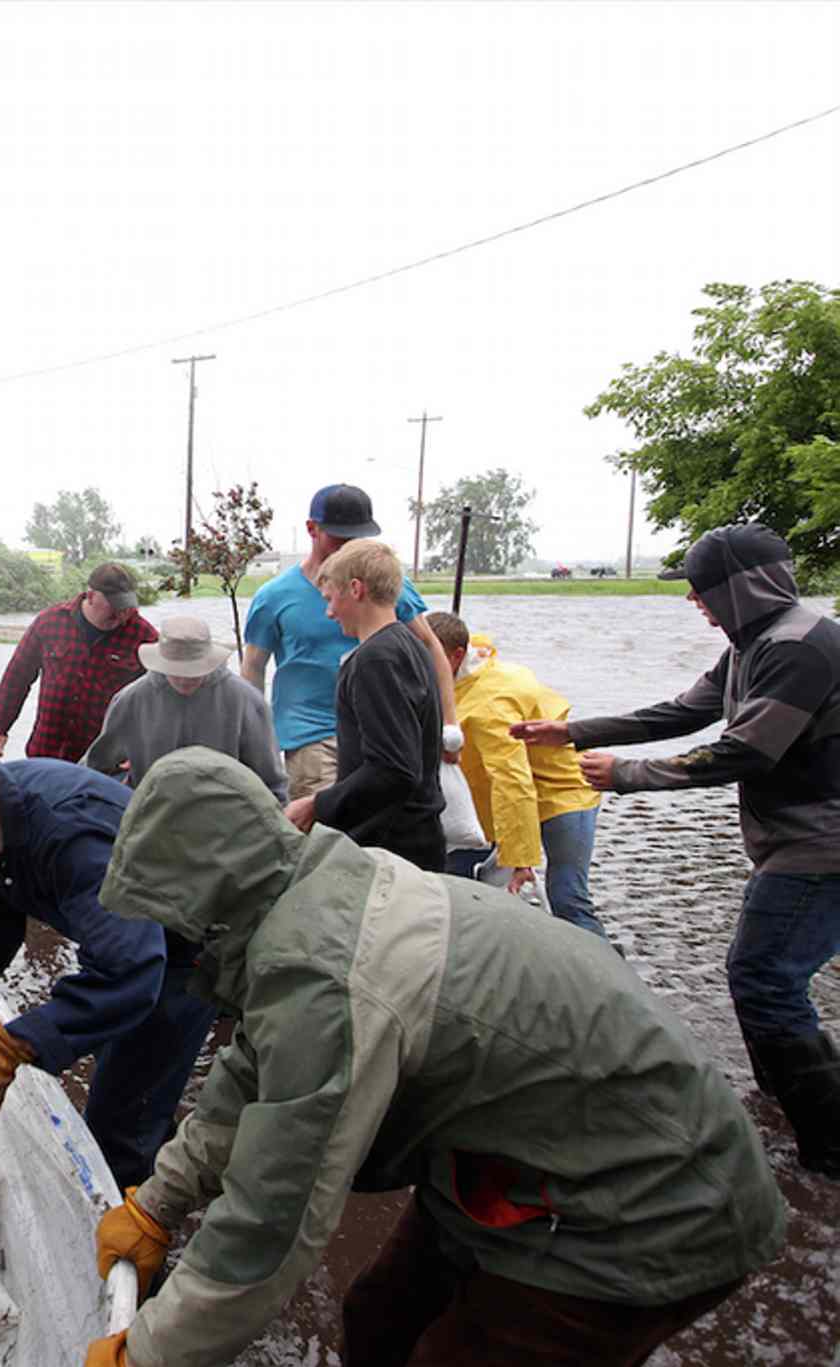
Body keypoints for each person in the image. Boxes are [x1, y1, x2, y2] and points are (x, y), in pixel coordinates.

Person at [82, 749, 786, 1367]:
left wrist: (149, 1354)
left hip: (650, 1200)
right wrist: (158, 1203)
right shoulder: (317, 889)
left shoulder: (326, 976)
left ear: (213, 890)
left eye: (176, 915)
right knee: (379, 1316)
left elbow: (274, 1220)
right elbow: (250, 1072)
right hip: (517, 1155)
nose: (176, 940)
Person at [516, 523, 840, 1178]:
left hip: (823, 841)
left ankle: (826, 1150)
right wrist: (572, 732)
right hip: (795, 838)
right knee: (770, 978)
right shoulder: (753, 644)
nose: (696, 604)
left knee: (764, 977)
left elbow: (746, 750)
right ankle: (785, 1105)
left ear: (741, 587)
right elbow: (684, 711)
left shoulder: (803, 646)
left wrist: (632, 775)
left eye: (702, 591)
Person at [0, 743, 218, 1190]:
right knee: (122, 1073)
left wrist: (10, 1046)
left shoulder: (70, 834)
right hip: (135, 940)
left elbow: (130, 969)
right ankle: (156, 1129)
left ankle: (137, 1223)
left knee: (118, 1121)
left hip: (188, 950)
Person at [241, 484, 456, 799]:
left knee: (377, 831)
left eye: (356, 537)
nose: (347, 546)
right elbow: (253, 669)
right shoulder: (274, 597)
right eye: (338, 536)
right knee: (324, 832)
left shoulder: (389, 584)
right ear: (312, 529)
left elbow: (430, 646)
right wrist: (256, 740)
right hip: (311, 734)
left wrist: (449, 725)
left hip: (380, 729)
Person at [425, 611, 606, 937]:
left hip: (563, 795)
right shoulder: (466, 670)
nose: (421, 669)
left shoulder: (490, 704)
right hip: (496, 802)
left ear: (456, 656)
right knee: (457, 882)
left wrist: (521, 860)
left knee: (567, 896)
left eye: (429, 659)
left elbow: (513, 783)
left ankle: (606, 972)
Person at [284, 539, 445, 871]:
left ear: (355, 589)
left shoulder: (376, 660)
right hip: (418, 839)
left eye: (330, 599)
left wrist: (317, 804)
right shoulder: (411, 645)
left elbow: (395, 769)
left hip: (392, 850)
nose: (329, 613)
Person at [82, 614, 286, 800]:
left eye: (193, 671)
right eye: (176, 670)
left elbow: (272, 783)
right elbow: (96, 768)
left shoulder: (246, 700)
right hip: (151, 819)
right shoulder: (131, 700)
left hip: (227, 822)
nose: (184, 679)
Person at [0, 562, 159, 762]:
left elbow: (157, 696)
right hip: (48, 750)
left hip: (105, 759)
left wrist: (141, 748)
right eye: (114, 605)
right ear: (91, 595)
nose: (121, 613)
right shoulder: (50, 622)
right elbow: (17, 677)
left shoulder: (143, 636)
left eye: (126, 605)